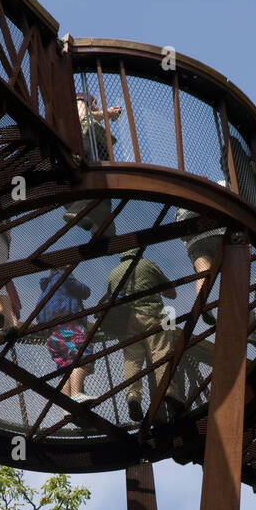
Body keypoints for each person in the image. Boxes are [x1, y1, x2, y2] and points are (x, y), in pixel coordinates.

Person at [105, 250, 183, 423]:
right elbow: (171, 293)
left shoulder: (113, 273)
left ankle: (133, 395)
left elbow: (111, 299)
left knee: (132, 359)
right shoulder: (147, 265)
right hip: (152, 314)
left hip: (126, 322)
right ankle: (168, 391)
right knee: (160, 352)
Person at [63, 93, 122, 236]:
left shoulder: (94, 118)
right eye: (95, 103)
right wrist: (107, 113)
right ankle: (79, 211)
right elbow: (81, 115)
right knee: (95, 178)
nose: (97, 105)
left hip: (99, 150)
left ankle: (103, 224)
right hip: (89, 146)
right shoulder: (81, 102)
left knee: (104, 185)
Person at [38, 272, 94, 401]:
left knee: (64, 367)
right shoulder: (64, 276)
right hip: (68, 326)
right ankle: (76, 394)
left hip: (51, 335)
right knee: (82, 357)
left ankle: (66, 403)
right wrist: (70, 275)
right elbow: (85, 292)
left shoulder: (45, 290)